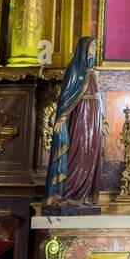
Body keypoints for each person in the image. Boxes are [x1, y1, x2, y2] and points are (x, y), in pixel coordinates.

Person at [43, 37, 104, 206]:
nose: (94, 49)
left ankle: (83, 195)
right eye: (92, 46)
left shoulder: (93, 73)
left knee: (90, 154)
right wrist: (62, 116)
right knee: (79, 151)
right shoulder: (75, 70)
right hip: (80, 118)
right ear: (83, 49)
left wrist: (103, 120)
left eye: (95, 46)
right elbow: (67, 96)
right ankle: (69, 193)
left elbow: (100, 99)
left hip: (93, 120)